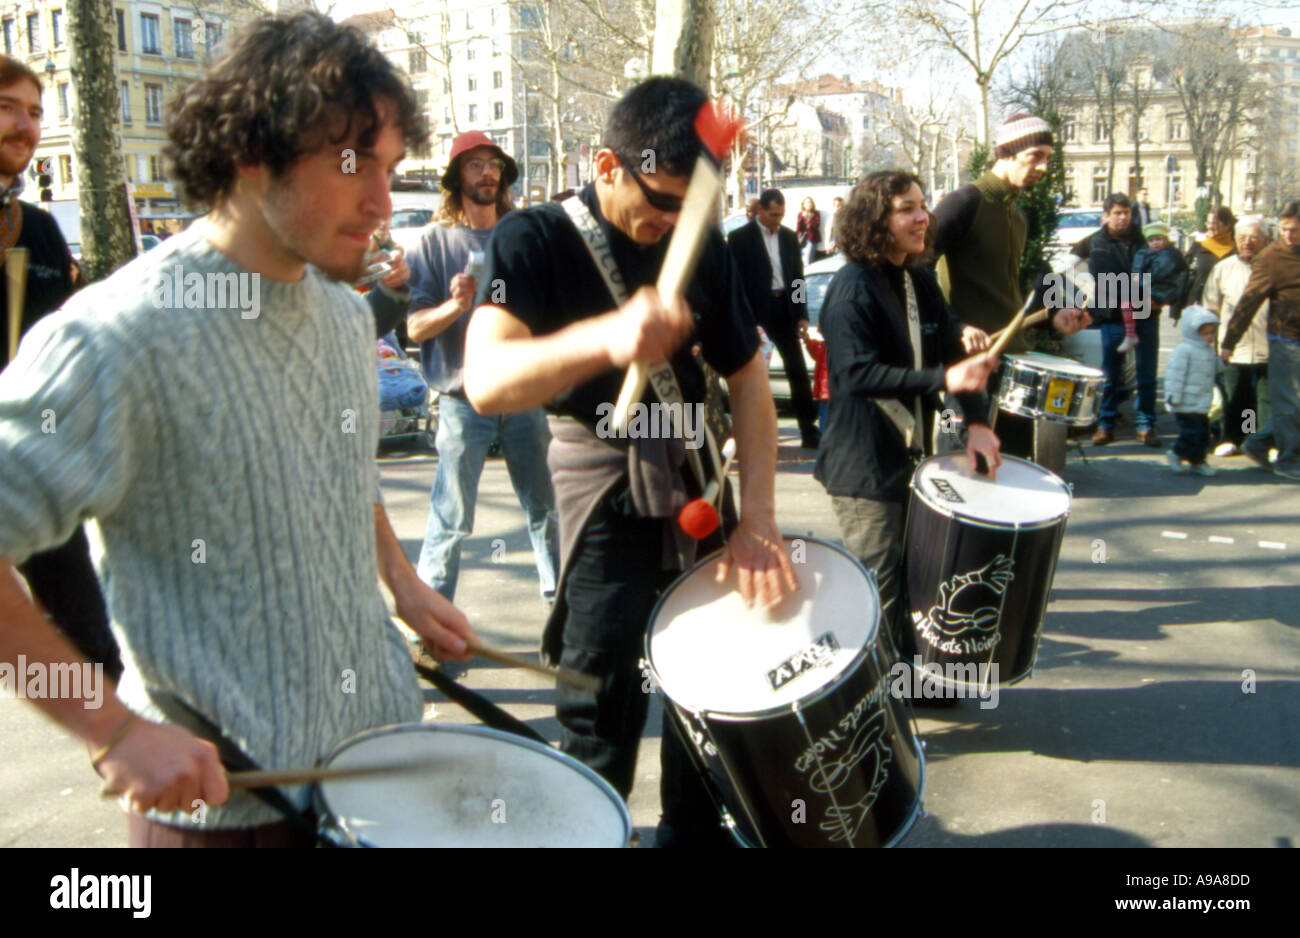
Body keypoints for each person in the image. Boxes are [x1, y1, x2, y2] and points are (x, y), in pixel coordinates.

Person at [0, 12, 478, 847]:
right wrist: (108, 727)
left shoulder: (340, 316)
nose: (380, 198)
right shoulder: (115, 336)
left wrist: (401, 582)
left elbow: (336, 469)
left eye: (392, 167)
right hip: (224, 819)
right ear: (252, 151)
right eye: (351, 161)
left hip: (377, 778)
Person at [461, 76, 798, 846]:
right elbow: (486, 381)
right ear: (607, 164)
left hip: (696, 469)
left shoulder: (701, 242)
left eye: (690, 206)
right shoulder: (534, 239)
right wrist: (610, 339)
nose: (672, 222)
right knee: (601, 694)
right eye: (661, 201)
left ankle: (693, 831)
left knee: (710, 677)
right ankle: (590, 834)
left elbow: (748, 380)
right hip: (604, 484)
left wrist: (761, 522)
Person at [815, 170, 1002, 636]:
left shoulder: (917, 280)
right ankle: (869, 703)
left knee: (918, 582)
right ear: (874, 220)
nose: (923, 218)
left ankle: (911, 682)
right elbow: (854, 374)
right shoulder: (851, 287)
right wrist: (943, 378)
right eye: (907, 209)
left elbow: (955, 353)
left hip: (908, 459)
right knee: (877, 592)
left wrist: (977, 421)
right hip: (864, 467)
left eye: (923, 206)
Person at [0, 56, 120, 681]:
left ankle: (133, 759)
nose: (25, 125)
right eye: (7, 108)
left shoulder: (39, 229)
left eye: (34, 111)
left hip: (28, 463)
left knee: (94, 646)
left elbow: (65, 349)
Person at [405, 130, 558, 604]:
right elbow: (415, 329)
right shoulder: (432, 242)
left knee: (547, 509)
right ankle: (432, 622)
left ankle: (563, 612)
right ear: (456, 178)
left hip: (522, 395)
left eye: (493, 163)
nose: (487, 171)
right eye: (475, 164)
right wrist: (456, 306)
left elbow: (553, 310)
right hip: (460, 400)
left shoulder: (524, 233)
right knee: (450, 517)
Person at [933, 113, 1090, 459]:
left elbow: (1018, 288)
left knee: (1009, 463)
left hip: (1011, 363)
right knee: (952, 454)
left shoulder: (1017, 215)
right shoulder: (963, 203)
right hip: (963, 365)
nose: (1044, 166)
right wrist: (955, 326)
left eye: (1048, 157)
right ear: (1006, 153)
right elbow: (917, 272)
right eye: (1035, 155)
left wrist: (1055, 315)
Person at [728, 188, 822, 448]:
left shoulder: (790, 238)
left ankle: (808, 428)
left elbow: (798, 279)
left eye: (780, 215)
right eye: (771, 214)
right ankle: (750, 432)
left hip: (784, 309)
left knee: (797, 370)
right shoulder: (739, 239)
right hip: (756, 312)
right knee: (752, 372)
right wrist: (743, 317)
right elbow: (734, 282)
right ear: (760, 210)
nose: (776, 220)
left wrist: (801, 314)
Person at [1220, 200, 1300, 481]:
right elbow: (1249, 301)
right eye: (1285, 229)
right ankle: (1288, 458)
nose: (1290, 235)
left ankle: (1257, 441)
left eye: (1295, 230)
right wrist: (1229, 341)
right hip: (1285, 339)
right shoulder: (1271, 258)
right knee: (1288, 402)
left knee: (1294, 404)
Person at [1072, 193, 1154, 446]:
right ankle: (1105, 425)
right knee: (1109, 372)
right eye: (1117, 213)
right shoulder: (1095, 242)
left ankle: (1146, 425)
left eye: (1126, 213)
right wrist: (1085, 291)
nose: (1122, 218)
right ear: (1106, 215)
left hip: (1144, 312)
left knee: (1146, 372)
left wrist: (1159, 295)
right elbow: (1067, 265)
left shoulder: (1144, 239)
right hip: (1111, 314)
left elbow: (1165, 267)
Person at [1204, 218, 1269, 457]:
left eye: (1253, 237)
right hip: (1233, 346)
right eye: (1242, 237)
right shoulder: (1224, 268)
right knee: (1236, 392)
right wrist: (1210, 340)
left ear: (1264, 239)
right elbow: (1210, 306)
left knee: (1264, 396)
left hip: (1268, 342)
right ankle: (1235, 436)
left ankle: (1262, 440)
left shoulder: (1272, 266)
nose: (1247, 242)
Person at [1163, 305, 1222, 476]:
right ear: (1193, 332)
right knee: (1192, 433)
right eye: (1205, 333)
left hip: (1201, 401)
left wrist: (1222, 363)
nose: (1210, 337)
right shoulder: (1184, 350)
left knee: (1203, 433)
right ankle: (1176, 453)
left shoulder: (1208, 350)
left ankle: (1197, 460)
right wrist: (1173, 396)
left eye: (1212, 333)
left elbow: (1212, 370)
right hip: (1185, 402)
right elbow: (1175, 376)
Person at [1125, 220, 1187, 352]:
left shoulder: (1169, 255)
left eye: (1159, 239)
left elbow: (1157, 274)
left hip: (1162, 290)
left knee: (1130, 304)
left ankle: (1131, 335)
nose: (1155, 243)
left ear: (1165, 240)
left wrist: (1138, 285)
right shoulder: (1145, 253)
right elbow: (1137, 271)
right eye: (1152, 240)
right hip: (1151, 289)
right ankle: (1130, 334)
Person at [1183, 206, 1237, 311]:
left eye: (1215, 223)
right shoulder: (1199, 246)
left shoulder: (1236, 252)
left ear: (1227, 225)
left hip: (1226, 307)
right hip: (1198, 307)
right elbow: (1183, 274)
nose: (1210, 227)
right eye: (1208, 223)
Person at [796, 196, 822, 264]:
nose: (809, 204)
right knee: (801, 257)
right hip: (803, 238)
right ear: (803, 205)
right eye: (807, 202)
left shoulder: (816, 213)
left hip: (812, 238)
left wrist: (808, 219)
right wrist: (803, 217)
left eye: (810, 202)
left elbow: (816, 225)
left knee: (808, 259)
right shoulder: (800, 214)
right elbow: (799, 227)